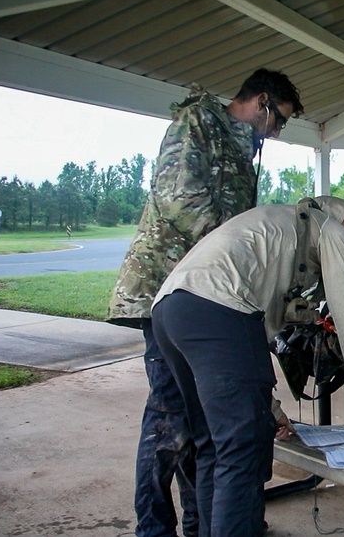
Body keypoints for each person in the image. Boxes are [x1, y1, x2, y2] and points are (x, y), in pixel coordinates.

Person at [107, 69, 302, 537]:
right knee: (170, 421)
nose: (275, 132)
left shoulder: (241, 151)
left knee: (207, 424)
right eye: (277, 121)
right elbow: (179, 200)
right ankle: (153, 530)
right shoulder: (196, 121)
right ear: (259, 101)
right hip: (168, 291)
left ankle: (204, 524)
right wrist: (227, 254)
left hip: (212, 299)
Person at [149, 196, 344, 537]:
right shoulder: (331, 230)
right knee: (243, 453)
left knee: (212, 443)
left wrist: (271, 409)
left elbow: (244, 354)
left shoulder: (274, 225)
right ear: (338, 221)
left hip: (170, 311)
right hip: (217, 310)